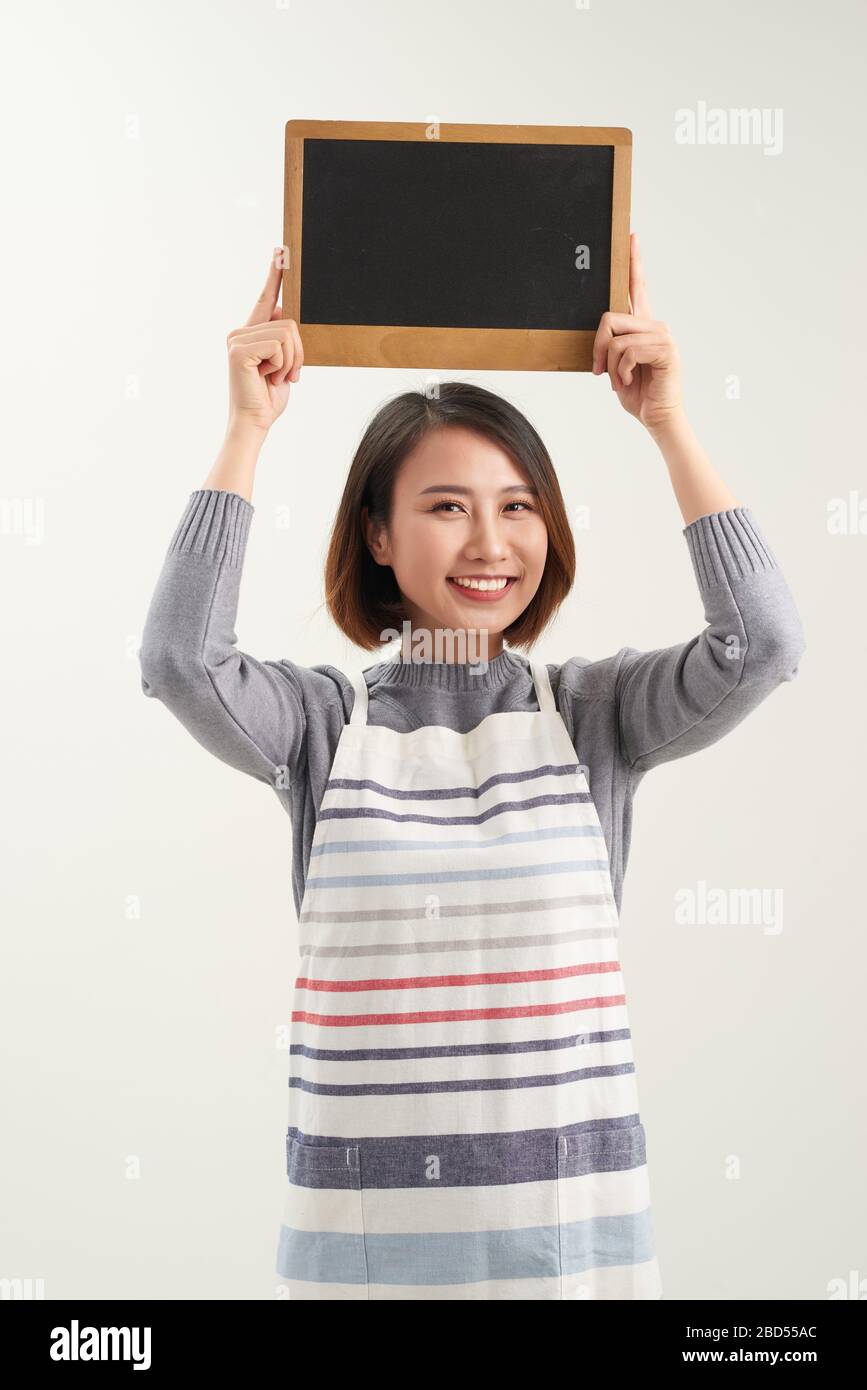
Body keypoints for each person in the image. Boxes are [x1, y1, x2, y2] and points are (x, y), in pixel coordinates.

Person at [138, 235, 805, 1299]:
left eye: (517, 505)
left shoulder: (593, 717)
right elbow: (180, 661)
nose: (491, 542)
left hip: (569, 1253)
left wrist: (669, 421)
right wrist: (247, 428)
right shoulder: (322, 726)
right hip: (367, 1260)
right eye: (448, 506)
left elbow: (762, 645)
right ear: (379, 536)